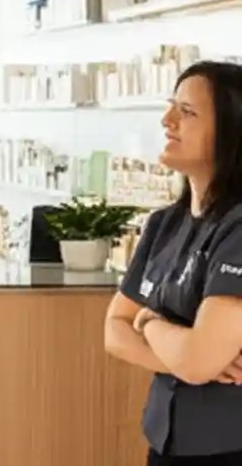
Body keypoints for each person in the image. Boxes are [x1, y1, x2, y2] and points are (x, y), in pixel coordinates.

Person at [104, 61, 242, 464]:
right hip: (167, 439)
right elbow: (113, 331)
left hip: (226, 447)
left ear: (232, 131)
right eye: (171, 107)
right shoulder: (164, 224)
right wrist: (183, 360)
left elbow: (200, 358)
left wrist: (148, 322)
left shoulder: (236, 230)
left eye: (187, 111)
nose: (167, 121)